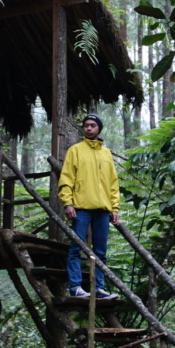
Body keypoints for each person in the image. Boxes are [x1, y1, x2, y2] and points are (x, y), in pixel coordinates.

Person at [59, 112, 121, 299]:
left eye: (92, 125)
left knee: (100, 251)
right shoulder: (75, 150)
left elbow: (113, 183)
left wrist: (115, 207)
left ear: (99, 128)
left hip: (102, 210)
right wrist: (67, 202)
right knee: (76, 247)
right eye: (86, 125)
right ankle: (76, 287)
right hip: (80, 208)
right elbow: (66, 178)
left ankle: (98, 288)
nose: (88, 128)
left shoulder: (106, 154)